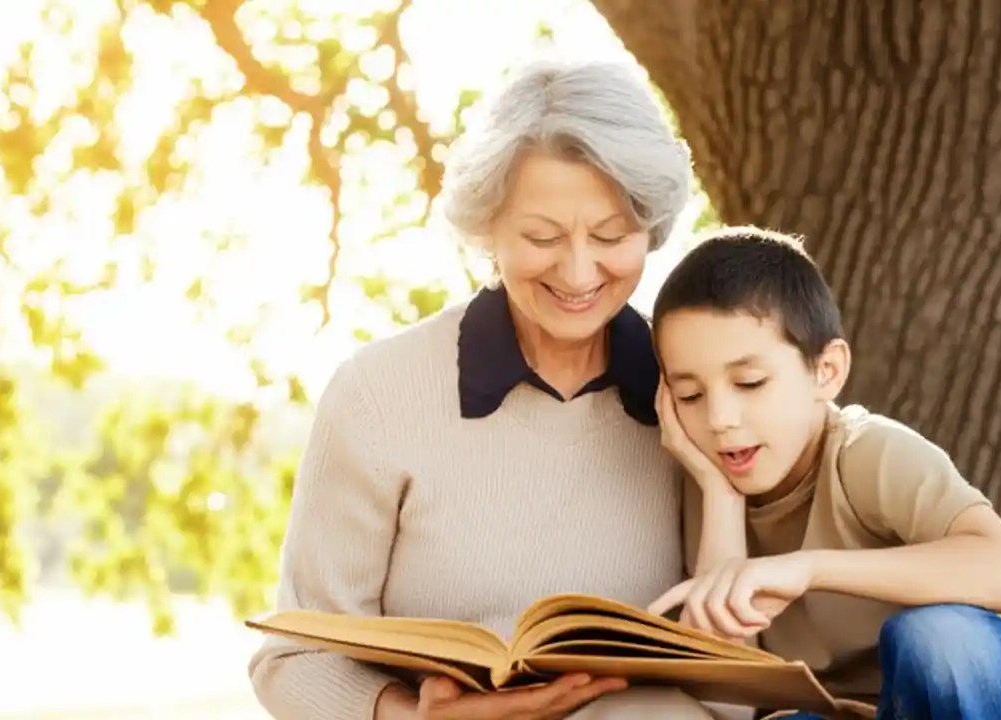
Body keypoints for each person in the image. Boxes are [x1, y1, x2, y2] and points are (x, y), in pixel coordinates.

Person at [248, 58, 733, 719]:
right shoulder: (378, 395)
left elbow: (739, 659)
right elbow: (293, 658)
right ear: (488, 229)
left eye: (611, 235)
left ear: (650, 226)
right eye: (542, 237)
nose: (579, 270)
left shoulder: (697, 394)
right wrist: (409, 716)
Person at [645, 227, 1001, 720]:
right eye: (689, 394)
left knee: (937, 637)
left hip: (973, 704)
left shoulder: (867, 452)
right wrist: (722, 500)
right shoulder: (696, 486)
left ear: (826, 371)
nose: (720, 418)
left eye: (749, 382)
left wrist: (809, 568)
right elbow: (727, 702)